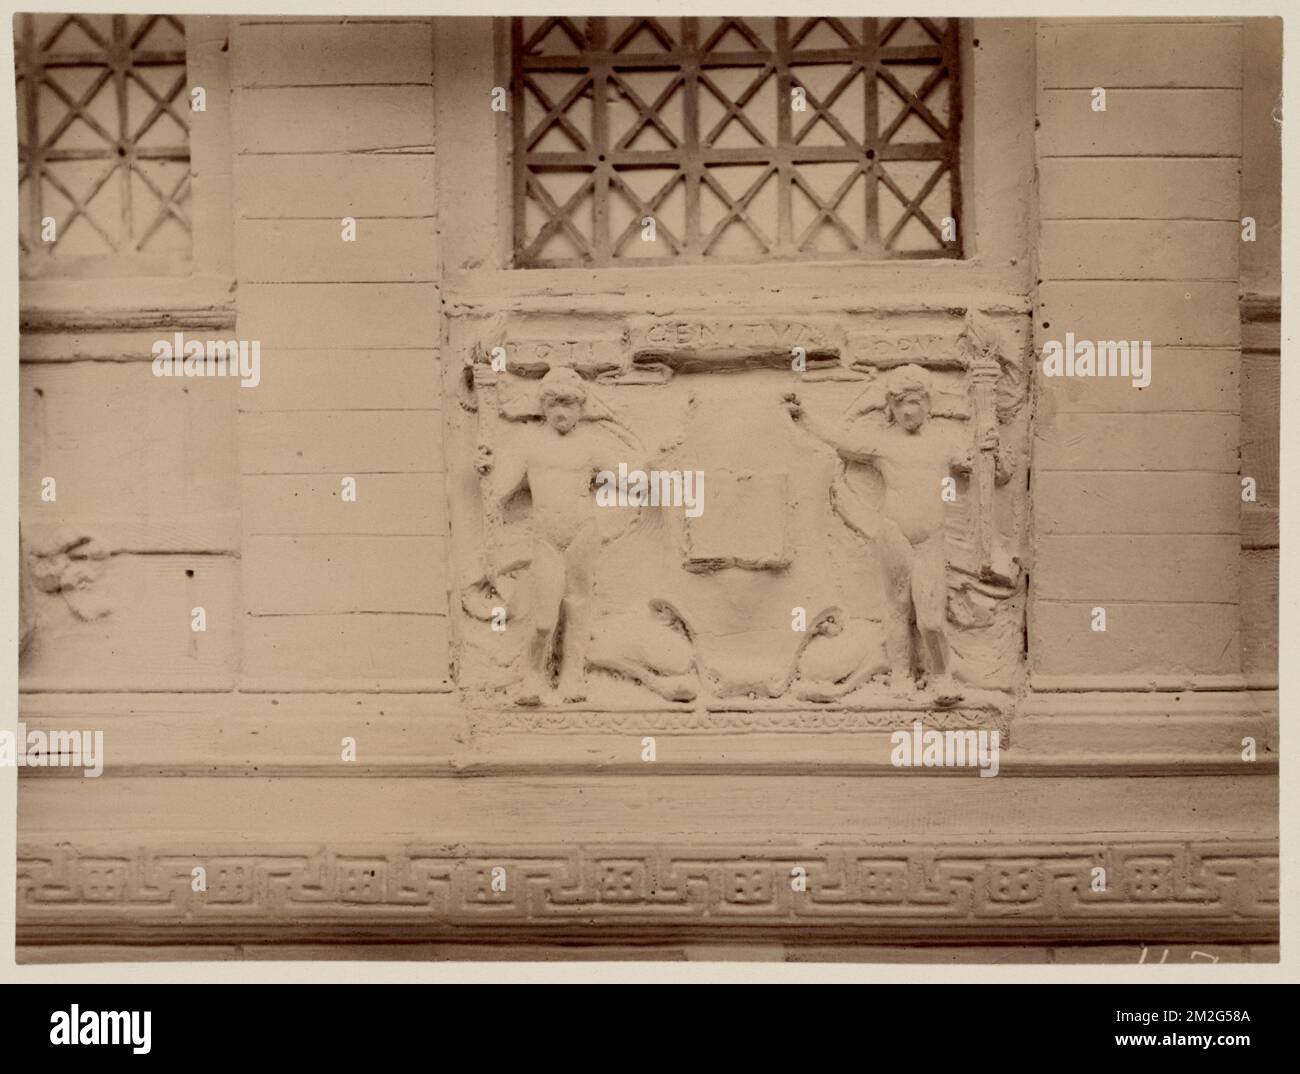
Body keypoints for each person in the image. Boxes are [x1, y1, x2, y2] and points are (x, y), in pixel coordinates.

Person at [784, 365, 1010, 701]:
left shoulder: (944, 444)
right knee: (897, 609)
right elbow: (841, 441)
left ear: (928, 404)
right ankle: (900, 675)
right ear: (890, 407)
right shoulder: (883, 444)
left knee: (931, 618)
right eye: (900, 402)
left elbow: (993, 474)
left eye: (915, 402)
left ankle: (940, 676)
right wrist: (805, 417)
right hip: (893, 533)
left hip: (930, 536)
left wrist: (996, 450)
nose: (907, 410)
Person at [475, 366, 618, 705]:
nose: (561, 411)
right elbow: (500, 492)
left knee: (578, 606)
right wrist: (485, 468)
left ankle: (572, 676)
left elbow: (624, 479)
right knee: (543, 619)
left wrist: (650, 467)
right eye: (554, 403)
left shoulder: (591, 446)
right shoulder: (530, 445)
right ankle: (534, 676)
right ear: (543, 406)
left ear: (581, 408)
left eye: (569, 404)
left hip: (582, 531)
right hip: (546, 536)